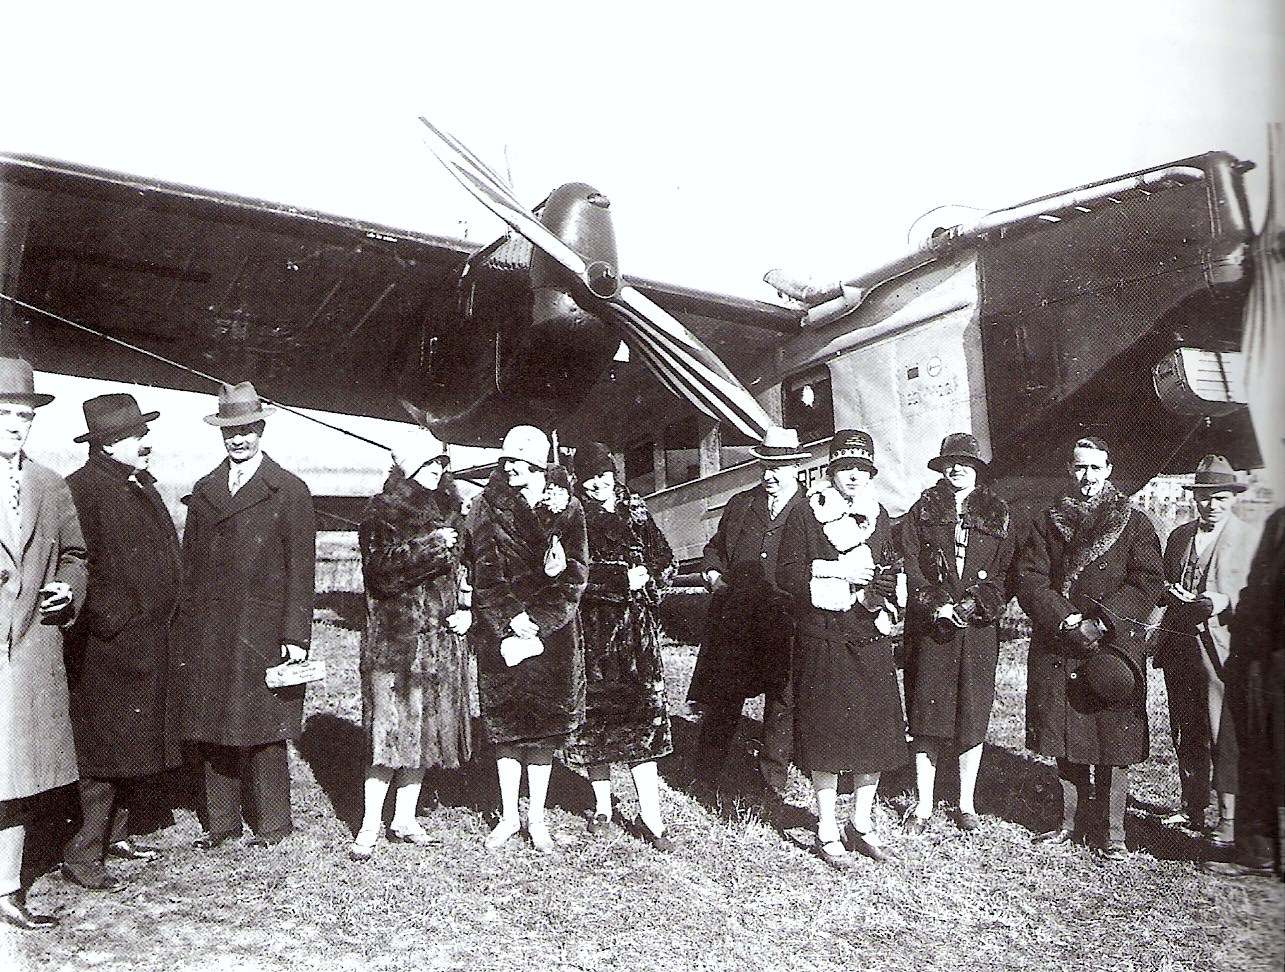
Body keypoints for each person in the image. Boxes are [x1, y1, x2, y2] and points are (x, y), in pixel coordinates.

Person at [179, 381, 315, 850]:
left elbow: (302, 571)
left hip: (263, 630)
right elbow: (189, 567)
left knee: (264, 725)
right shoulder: (204, 491)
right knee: (214, 722)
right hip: (211, 629)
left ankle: (274, 824)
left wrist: (296, 635)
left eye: (247, 431)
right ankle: (221, 825)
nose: (238, 440)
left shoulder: (289, 491)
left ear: (261, 430)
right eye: (229, 433)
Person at [1014, 436, 1163, 862]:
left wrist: (1102, 622)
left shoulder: (1134, 523)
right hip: (1062, 641)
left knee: (1114, 740)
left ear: (1109, 470)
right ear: (1070, 470)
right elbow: (1030, 579)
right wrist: (1067, 620)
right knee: (1066, 734)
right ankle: (1067, 823)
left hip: (1112, 645)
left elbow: (1146, 581)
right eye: (1079, 468)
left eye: (1095, 469)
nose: (1087, 478)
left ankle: (1113, 832)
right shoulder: (1048, 521)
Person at [62, 394, 184, 892]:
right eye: (137, 435)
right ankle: (83, 854)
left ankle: (115, 836)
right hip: (109, 645)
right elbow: (77, 563)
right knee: (103, 751)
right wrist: (113, 619)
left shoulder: (136, 485)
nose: (145, 443)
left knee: (128, 744)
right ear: (111, 443)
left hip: (144, 641)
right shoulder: (84, 491)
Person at [775, 430, 907, 865]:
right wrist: (838, 575)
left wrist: (886, 588)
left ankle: (862, 823)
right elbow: (789, 574)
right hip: (824, 635)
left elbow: (888, 567)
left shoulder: (878, 514)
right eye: (845, 468)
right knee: (828, 734)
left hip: (869, 635)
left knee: (875, 733)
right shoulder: (808, 514)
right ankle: (827, 828)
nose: (854, 476)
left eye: (862, 469)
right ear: (831, 472)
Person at [350, 431, 472, 861]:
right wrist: (432, 547)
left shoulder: (452, 509)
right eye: (429, 464)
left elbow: (467, 570)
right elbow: (379, 573)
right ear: (407, 468)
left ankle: (404, 818)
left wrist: (465, 607)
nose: (437, 471)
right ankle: (367, 825)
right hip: (395, 640)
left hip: (439, 639)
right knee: (387, 736)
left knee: (425, 735)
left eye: (442, 463)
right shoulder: (382, 510)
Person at [470, 425, 588, 853]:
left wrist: (538, 622)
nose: (511, 467)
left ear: (539, 466)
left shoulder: (567, 509)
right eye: (507, 461)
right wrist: (510, 619)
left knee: (543, 730)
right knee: (506, 728)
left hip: (551, 636)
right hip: (502, 634)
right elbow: (483, 573)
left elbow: (576, 574)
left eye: (520, 462)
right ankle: (508, 816)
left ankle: (536, 817)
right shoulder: (485, 507)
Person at [0, 358, 86, 930]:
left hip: (29, 649)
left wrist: (66, 591)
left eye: (24, 415)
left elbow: (77, 555)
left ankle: (6, 889)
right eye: (3, 412)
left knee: (15, 777)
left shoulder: (50, 485)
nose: (14, 424)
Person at [562, 443, 678, 850]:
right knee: (597, 722)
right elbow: (569, 576)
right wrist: (615, 582)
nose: (598, 484)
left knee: (642, 724)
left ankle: (652, 817)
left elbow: (665, 557)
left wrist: (650, 578)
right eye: (589, 477)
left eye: (603, 475)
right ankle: (602, 808)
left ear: (614, 473)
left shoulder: (637, 509)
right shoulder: (573, 516)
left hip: (638, 635)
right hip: (592, 633)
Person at [687, 426, 808, 802]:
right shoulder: (741, 505)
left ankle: (771, 784)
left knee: (781, 702)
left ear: (796, 469)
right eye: (765, 468)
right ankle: (705, 778)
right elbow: (715, 550)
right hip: (739, 621)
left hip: (786, 624)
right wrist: (711, 574)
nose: (770, 476)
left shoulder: (811, 510)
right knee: (724, 698)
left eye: (780, 468)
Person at [901, 432, 1014, 835]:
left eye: (965, 463)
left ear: (978, 471)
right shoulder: (923, 509)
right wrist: (935, 602)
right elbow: (908, 560)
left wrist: (977, 603)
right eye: (950, 463)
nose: (957, 469)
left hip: (978, 630)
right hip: (932, 628)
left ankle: (965, 802)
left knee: (971, 713)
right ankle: (924, 804)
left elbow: (1006, 573)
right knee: (927, 714)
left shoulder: (998, 512)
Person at [1153, 455, 1259, 846]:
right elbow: (1163, 581)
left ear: (1232, 499)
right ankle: (1192, 806)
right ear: (1194, 498)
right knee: (1185, 729)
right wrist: (1170, 593)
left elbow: (1261, 597)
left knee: (1223, 731)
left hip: (1222, 650)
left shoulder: (1250, 538)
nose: (1211, 506)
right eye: (1204, 497)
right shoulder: (1180, 536)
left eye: (1220, 498)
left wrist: (1222, 602)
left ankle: (1229, 818)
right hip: (1179, 642)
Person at [1205, 503, 1284, 878]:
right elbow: (1259, 584)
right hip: (1257, 655)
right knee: (1253, 747)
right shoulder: (1277, 522)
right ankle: (1257, 851)